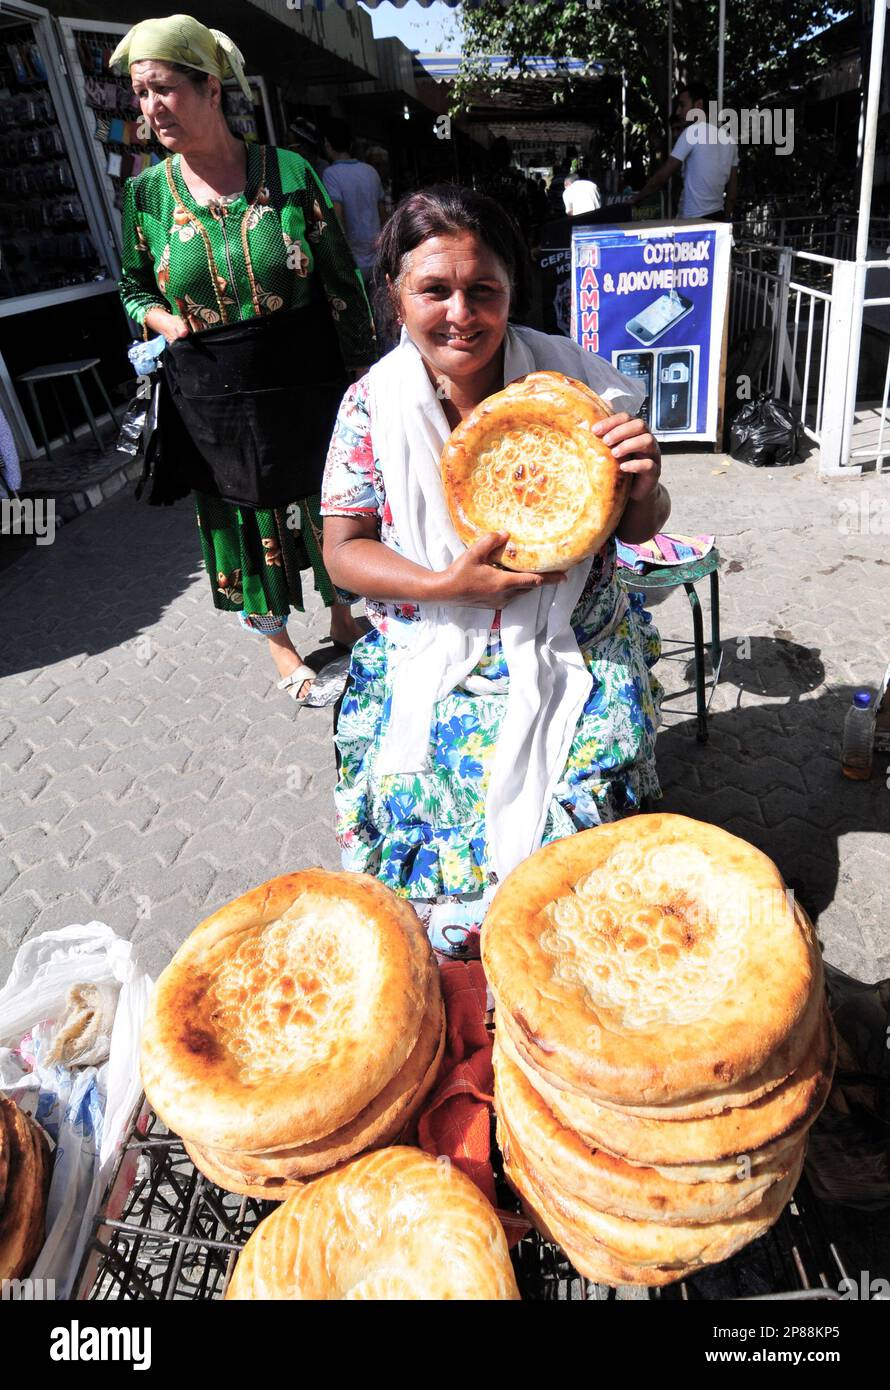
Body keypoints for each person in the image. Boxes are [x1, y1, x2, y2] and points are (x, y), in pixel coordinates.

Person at [321, 186, 666, 960]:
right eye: (433, 289)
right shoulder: (371, 407)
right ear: (395, 294)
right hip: (433, 637)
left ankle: (555, 946)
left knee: (573, 836)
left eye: (485, 291)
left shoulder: (585, 389)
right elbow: (343, 550)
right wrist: (448, 587)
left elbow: (639, 529)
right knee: (418, 803)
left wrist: (644, 485)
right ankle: (467, 960)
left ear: (512, 291)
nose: (461, 315)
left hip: (571, 633)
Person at [113, 17, 376, 706]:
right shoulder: (145, 195)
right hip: (211, 385)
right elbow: (132, 284)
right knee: (242, 516)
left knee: (327, 502)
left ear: (210, 88)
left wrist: (364, 380)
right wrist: (163, 321)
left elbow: (341, 283)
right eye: (141, 94)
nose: (151, 108)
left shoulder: (287, 173)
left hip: (302, 372)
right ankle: (281, 647)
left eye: (164, 89)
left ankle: (346, 615)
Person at [631, 82, 738, 221]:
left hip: (692, 222)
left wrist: (637, 198)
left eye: (682, 105)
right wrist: (726, 220)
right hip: (718, 218)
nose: (678, 112)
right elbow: (732, 194)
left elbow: (662, 176)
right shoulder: (730, 140)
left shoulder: (692, 131)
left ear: (698, 105)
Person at [322, 120, 387, 279]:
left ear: (328, 144)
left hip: (354, 261)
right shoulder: (370, 171)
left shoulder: (331, 174)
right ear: (350, 144)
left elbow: (337, 219)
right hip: (377, 258)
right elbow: (383, 215)